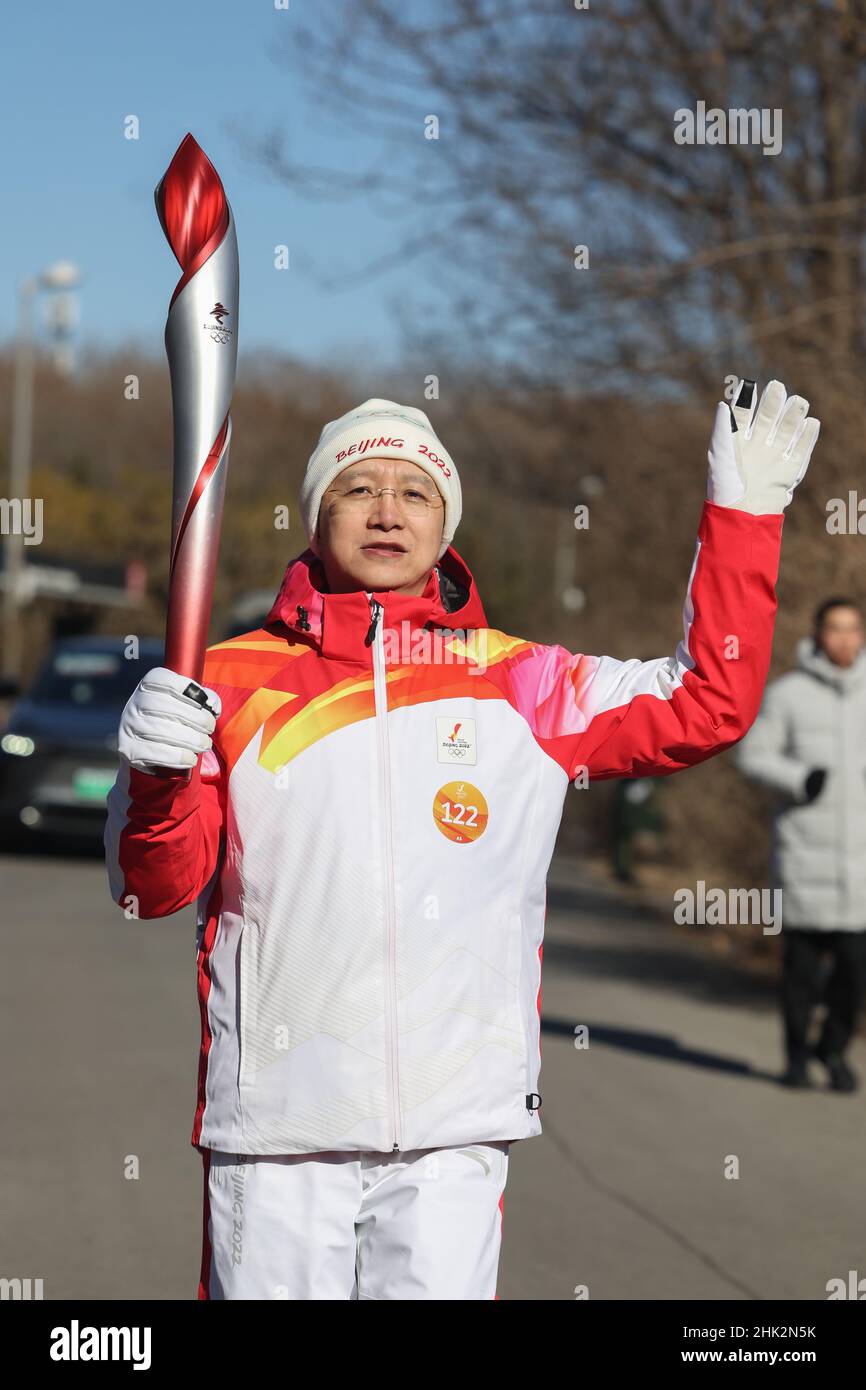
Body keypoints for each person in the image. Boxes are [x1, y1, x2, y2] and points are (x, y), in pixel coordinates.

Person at [104, 379, 818, 1299]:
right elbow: (154, 887)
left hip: (456, 1123)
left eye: (417, 492)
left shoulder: (525, 683)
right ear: (319, 515)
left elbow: (705, 705)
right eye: (359, 489)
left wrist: (744, 518)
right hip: (281, 1127)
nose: (387, 510)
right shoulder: (226, 679)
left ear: (447, 526)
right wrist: (157, 778)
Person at [735, 597, 866, 1093]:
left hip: (860, 864)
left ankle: (832, 1050)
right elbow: (752, 754)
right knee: (801, 971)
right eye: (835, 628)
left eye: (853, 628)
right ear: (817, 634)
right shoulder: (788, 694)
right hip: (803, 854)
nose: (845, 639)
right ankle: (795, 1057)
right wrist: (800, 778)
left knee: (854, 973)